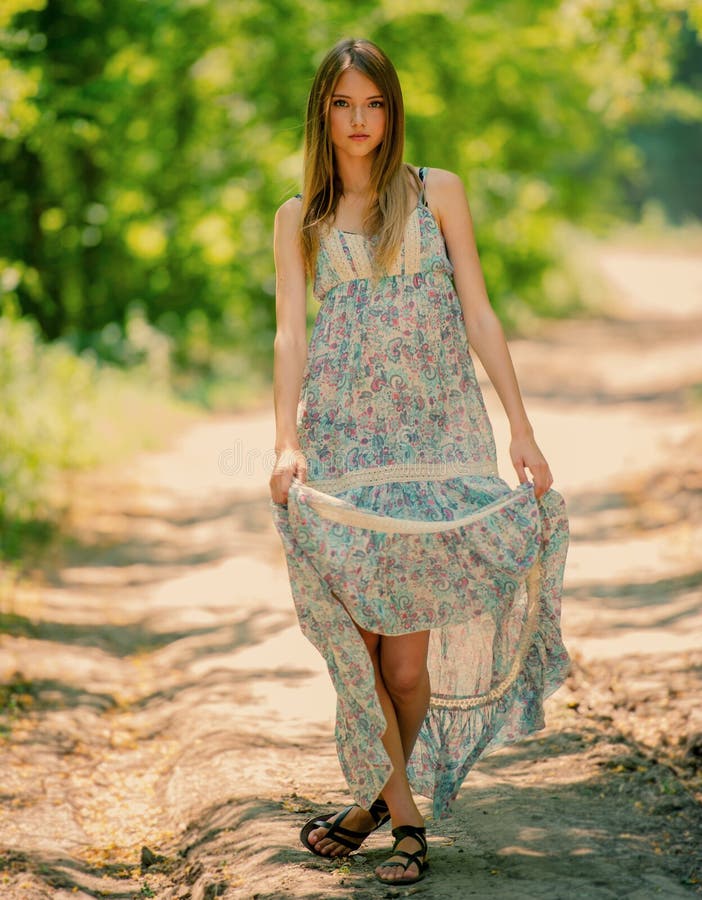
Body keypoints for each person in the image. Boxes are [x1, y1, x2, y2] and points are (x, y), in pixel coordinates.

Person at [269, 37, 570, 887]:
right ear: (323, 114)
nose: (359, 120)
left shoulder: (438, 193)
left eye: (374, 104)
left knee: (404, 668)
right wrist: (286, 439)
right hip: (345, 448)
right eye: (343, 104)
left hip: (437, 446)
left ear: (392, 111)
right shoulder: (301, 216)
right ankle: (407, 824)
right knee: (359, 651)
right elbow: (290, 335)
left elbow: (480, 312)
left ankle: (368, 805)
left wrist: (520, 428)